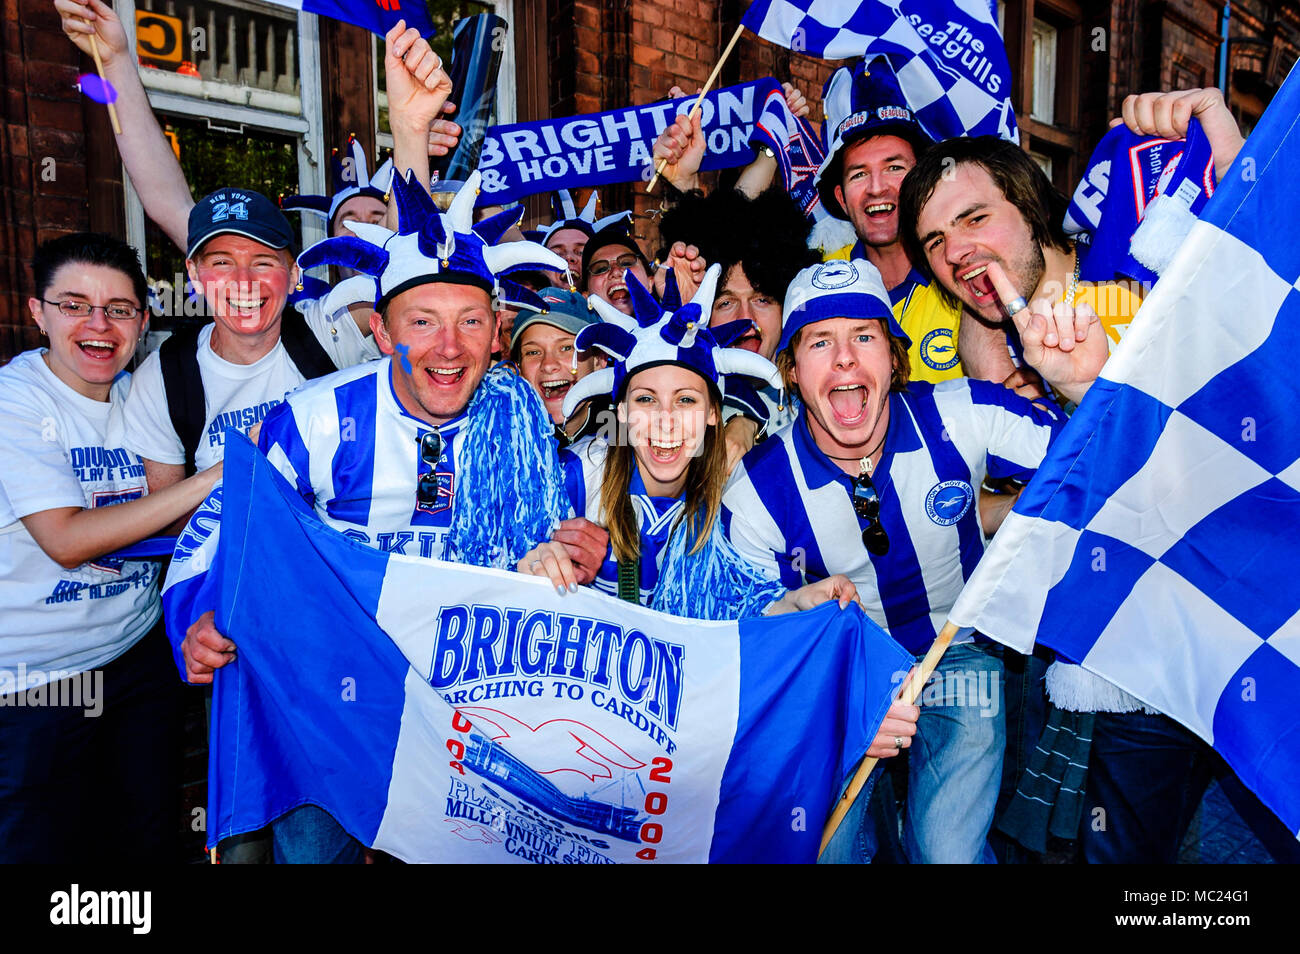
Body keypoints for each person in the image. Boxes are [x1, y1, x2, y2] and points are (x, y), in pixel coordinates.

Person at [173, 21, 609, 862]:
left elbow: (555, 538)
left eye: (471, 323)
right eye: (423, 323)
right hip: (328, 708)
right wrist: (197, 618)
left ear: (496, 328)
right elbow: (214, 530)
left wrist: (569, 550)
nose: (449, 347)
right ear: (380, 329)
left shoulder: (521, 416)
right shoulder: (312, 418)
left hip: (465, 712)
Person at [722, 259, 1090, 863]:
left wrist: (1076, 385)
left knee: (947, 854)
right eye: (819, 341)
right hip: (838, 672)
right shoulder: (756, 492)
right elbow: (748, 631)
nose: (844, 359)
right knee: (819, 852)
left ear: (896, 358)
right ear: (791, 372)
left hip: (958, 649)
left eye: (864, 336)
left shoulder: (964, 412)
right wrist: (797, 618)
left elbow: (1100, 463)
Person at [0, 233, 222, 862]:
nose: (99, 325)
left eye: (119, 309)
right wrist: (213, 478)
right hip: (35, 681)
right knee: (41, 849)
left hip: (136, 653)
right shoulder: (17, 401)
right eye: (75, 305)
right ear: (38, 312)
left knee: (143, 839)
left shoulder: (139, 392)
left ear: (142, 321)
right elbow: (67, 540)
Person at [510, 286, 610, 445]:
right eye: (533, 352)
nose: (549, 365)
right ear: (519, 369)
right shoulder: (503, 442)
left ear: (599, 359)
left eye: (567, 348)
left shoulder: (630, 435)